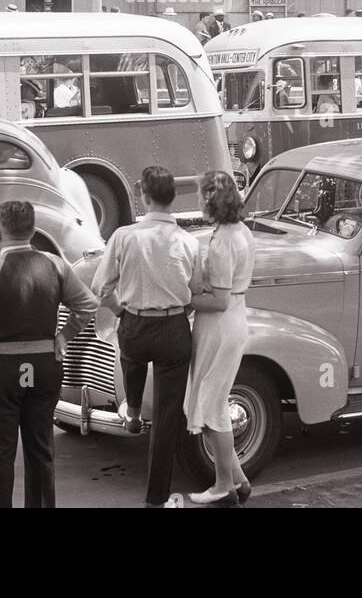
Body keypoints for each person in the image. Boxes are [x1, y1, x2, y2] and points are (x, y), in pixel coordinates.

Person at [0, 199, 98, 508]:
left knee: (0, 455)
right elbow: (87, 304)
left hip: (2, 368)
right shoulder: (55, 264)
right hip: (45, 365)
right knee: (41, 451)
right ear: (33, 231)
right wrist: (63, 337)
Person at [93, 166, 200, 508]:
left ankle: (134, 409)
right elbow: (195, 292)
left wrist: (122, 310)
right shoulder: (188, 241)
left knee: (131, 355)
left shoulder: (124, 236)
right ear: (171, 199)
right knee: (168, 417)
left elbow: (100, 288)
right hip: (173, 329)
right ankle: (156, 498)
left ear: (145, 197)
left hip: (135, 325)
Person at [185, 170, 255, 507]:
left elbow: (219, 299)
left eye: (200, 194)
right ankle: (238, 482)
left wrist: (185, 301)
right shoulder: (238, 231)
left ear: (209, 199)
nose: (197, 200)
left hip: (221, 324)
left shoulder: (224, 240)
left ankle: (224, 484)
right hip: (230, 321)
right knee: (211, 403)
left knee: (213, 407)